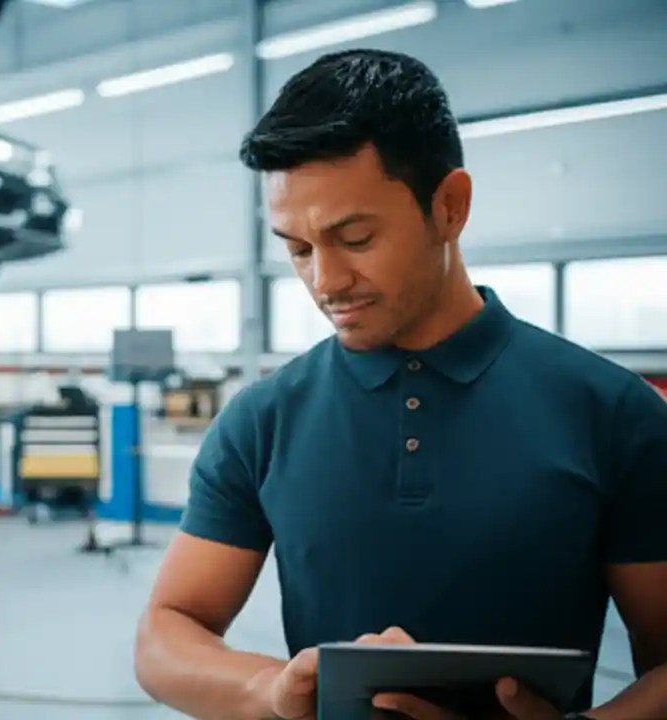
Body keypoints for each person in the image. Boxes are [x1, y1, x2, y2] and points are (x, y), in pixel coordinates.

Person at [133, 49, 667, 720]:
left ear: (449, 206)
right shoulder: (263, 420)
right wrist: (267, 690)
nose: (324, 282)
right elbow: (167, 628)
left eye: (354, 237)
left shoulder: (611, 412)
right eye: (298, 249)